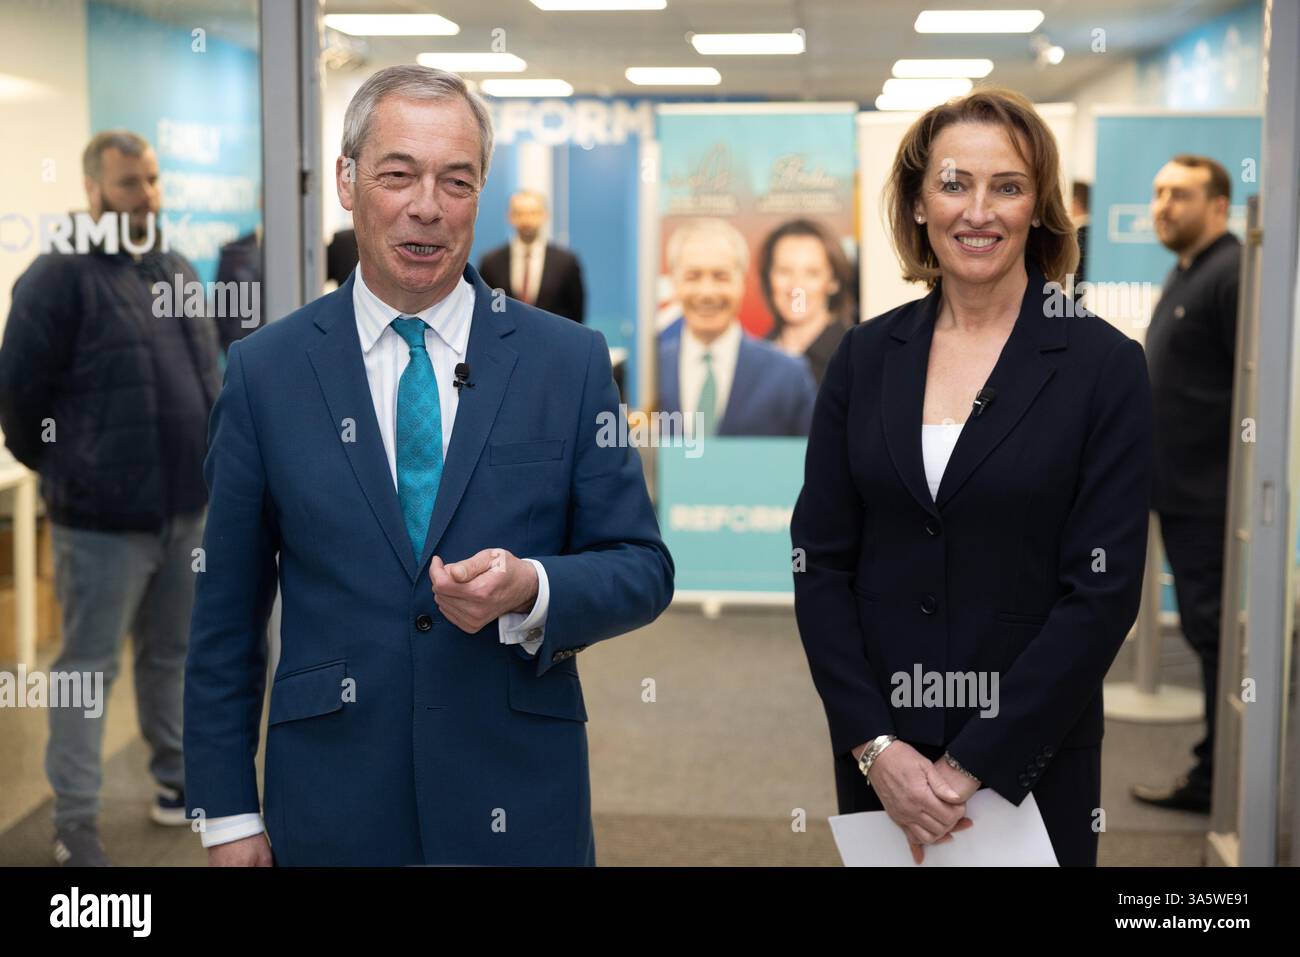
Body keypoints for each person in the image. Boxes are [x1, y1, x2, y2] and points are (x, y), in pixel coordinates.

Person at [184, 65, 673, 866]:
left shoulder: (569, 361)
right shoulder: (266, 373)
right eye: (398, 174)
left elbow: (641, 566)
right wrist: (228, 811)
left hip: (518, 793)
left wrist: (535, 589)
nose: (427, 207)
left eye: (456, 180)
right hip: (333, 797)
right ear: (346, 182)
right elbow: (225, 614)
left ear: (480, 192)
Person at [791, 88, 1153, 867]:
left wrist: (968, 765)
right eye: (954, 184)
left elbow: (1102, 592)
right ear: (920, 203)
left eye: (1008, 186)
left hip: (1032, 761)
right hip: (881, 761)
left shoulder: (1104, 367)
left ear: (1038, 206)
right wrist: (876, 746)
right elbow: (820, 561)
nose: (978, 211)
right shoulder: (864, 356)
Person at [0, 130, 221, 866]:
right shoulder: (56, 277)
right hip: (100, 521)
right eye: (129, 183)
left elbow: (204, 375)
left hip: (184, 508)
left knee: (172, 657)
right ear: (93, 190)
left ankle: (174, 784)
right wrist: (76, 472)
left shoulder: (174, 266)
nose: (146, 196)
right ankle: (73, 823)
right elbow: (20, 403)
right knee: (87, 671)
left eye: (152, 181)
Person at [1131, 155, 1240, 814]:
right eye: (1158, 192)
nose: (1164, 206)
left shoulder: (1231, 273)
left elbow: (1251, 389)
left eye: (1181, 194)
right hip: (1182, 492)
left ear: (1220, 205)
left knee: (1215, 634)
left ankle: (1221, 780)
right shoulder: (1189, 270)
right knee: (1205, 632)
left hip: (1213, 499)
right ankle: (1216, 767)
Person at [657, 218, 816, 438]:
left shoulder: (788, 376)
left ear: (742, 282)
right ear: (674, 282)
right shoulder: (650, 371)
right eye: (693, 277)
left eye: (720, 277)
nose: (707, 292)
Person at [758, 218, 856, 385]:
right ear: (769, 278)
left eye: (812, 273)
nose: (796, 287)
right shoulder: (753, 358)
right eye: (784, 271)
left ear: (834, 281)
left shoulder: (855, 356)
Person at [478, 190, 586, 323]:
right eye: (519, 213)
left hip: (553, 341)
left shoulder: (566, 263)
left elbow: (576, 315)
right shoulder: (491, 262)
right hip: (506, 342)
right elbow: (487, 309)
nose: (526, 220)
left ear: (545, 215)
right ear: (509, 216)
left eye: (533, 213)